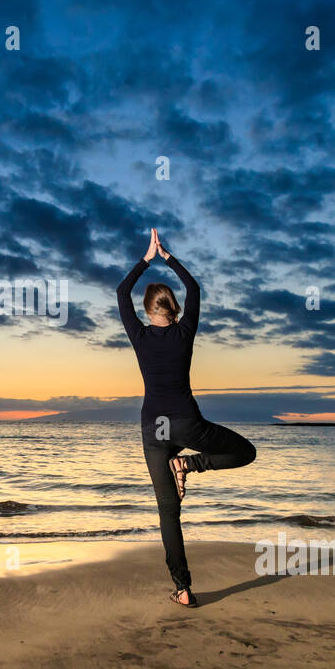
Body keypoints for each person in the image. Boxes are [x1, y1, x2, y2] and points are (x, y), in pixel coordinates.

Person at [116, 228, 257, 607]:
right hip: (186, 423)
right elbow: (194, 288)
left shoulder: (139, 337)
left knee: (168, 512)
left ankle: (182, 588)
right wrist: (168, 258)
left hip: (153, 430)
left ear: (148, 311)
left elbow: (119, 292)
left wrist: (146, 258)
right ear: (172, 307)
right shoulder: (185, 332)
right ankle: (190, 464)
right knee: (246, 452)